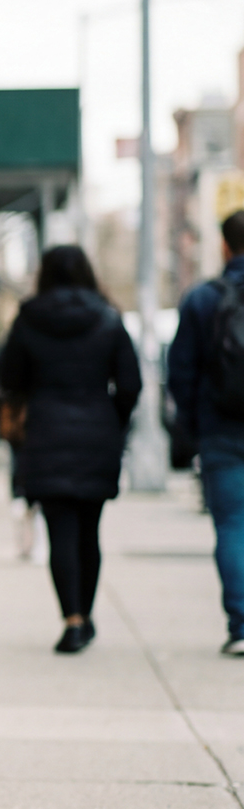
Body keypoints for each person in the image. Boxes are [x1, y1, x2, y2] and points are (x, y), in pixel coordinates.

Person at [0, 246, 141, 654]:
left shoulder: (29, 318)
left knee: (59, 529)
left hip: (46, 431)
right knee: (89, 531)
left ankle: (72, 620)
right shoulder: (108, 318)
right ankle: (86, 615)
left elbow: (8, 377)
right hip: (97, 431)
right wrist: (113, 420)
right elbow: (130, 383)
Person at [167, 209, 244, 655]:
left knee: (232, 525)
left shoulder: (202, 299)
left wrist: (193, 427)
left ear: (225, 246)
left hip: (221, 428)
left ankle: (241, 624)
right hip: (218, 427)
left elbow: (181, 372)